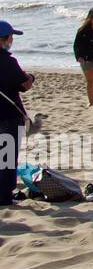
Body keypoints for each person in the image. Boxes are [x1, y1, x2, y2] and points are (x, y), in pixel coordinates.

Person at [0, 21, 35, 207]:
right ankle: (4, 196)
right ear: (4, 39)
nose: (11, 40)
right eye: (10, 37)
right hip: (8, 114)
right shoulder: (8, 62)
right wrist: (31, 78)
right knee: (6, 157)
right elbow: (24, 84)